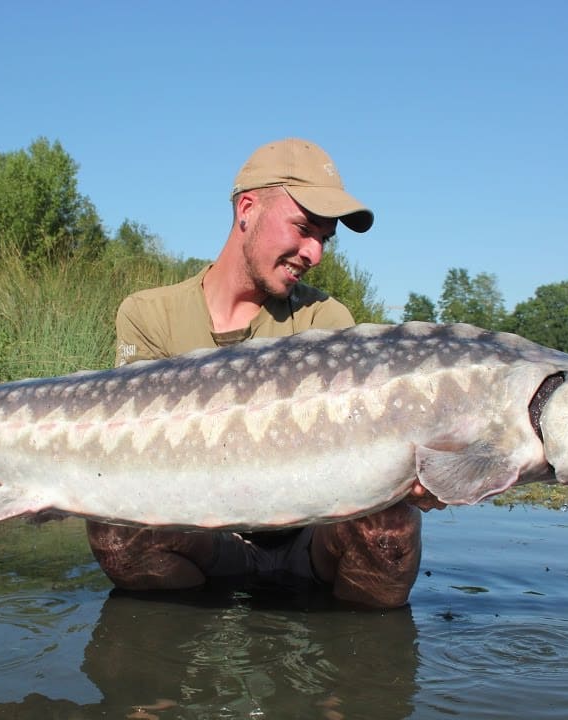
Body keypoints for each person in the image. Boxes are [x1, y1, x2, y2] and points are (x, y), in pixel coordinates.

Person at [85, 138, 446, 609]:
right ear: (248, 209)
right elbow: (123, 453)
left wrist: (412, 474)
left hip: (309, 542)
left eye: (325, 238)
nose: (314, 252)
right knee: (114, 527)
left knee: (392, 525)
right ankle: (191, 630)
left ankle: (358, 661)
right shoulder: (150, 315)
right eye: (303, 228)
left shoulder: (326, 320)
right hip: (202, 538)